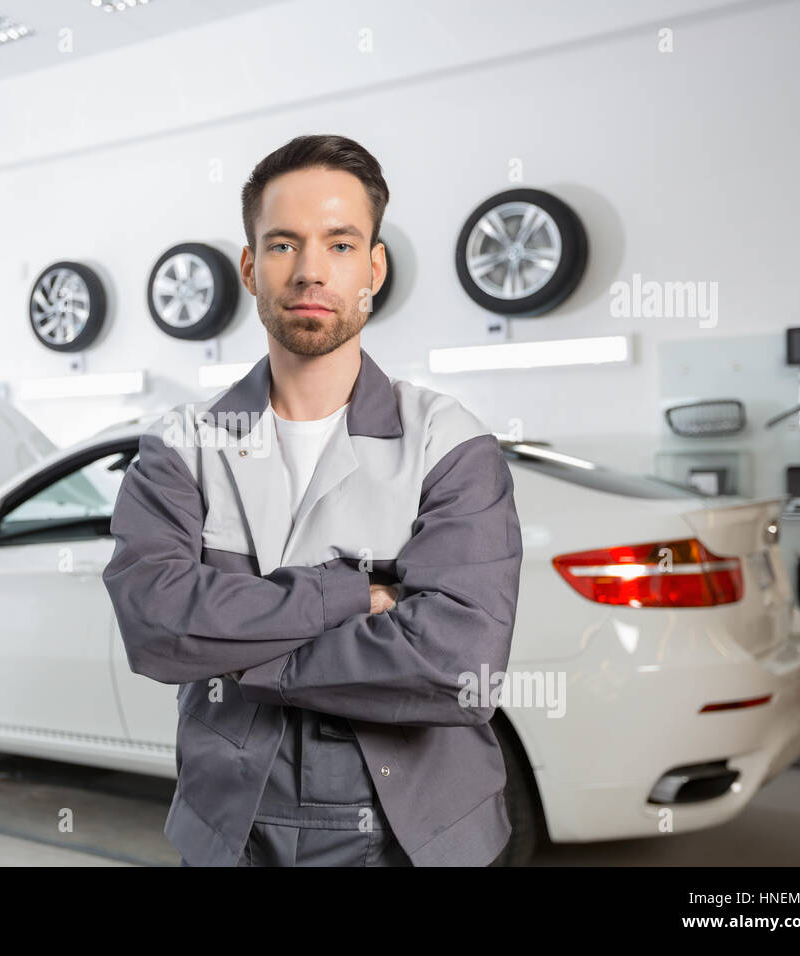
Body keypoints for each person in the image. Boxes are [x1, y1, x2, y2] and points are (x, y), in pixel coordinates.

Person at [103, 133, 523, 866]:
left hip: (415, 835)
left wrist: (242, 660)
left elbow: (461, 666)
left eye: (339, 244)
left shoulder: (449, 442)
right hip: (233, 827)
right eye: (281, 245)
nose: (308, 273)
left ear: (374, 267)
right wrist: (345, 597)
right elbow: (156, 625)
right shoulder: (182, 445)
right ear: (248, 266)